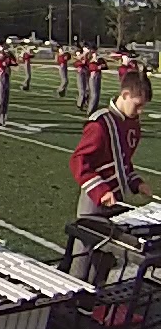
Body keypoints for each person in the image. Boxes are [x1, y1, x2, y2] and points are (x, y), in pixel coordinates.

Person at [67, 70, 152, 284]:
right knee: (83, 257)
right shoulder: (100, 124)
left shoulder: (132, 123)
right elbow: (79, 161)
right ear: (124, 95)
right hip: (94, 201)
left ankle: (94, 298)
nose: (140, 111)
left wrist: (137, 183)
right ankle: (72, 299)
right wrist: (101, 191)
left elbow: (123, 162)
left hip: (117, 200)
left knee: (105, 258)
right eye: (137, 105)